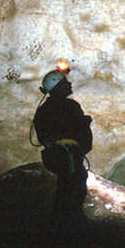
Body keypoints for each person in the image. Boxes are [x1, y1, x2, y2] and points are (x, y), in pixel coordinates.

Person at [32, 64, 92, 223]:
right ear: (58, 87)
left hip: (56, 155)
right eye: (65, 83)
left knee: (66, 184)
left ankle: (61, 219)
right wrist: (85, 122)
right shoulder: (70, 106)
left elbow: (42, 136)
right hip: (68, 154)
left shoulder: (43, 110)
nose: (70, 84)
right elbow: (77, 129)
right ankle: (69, 221)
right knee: (72, 184)